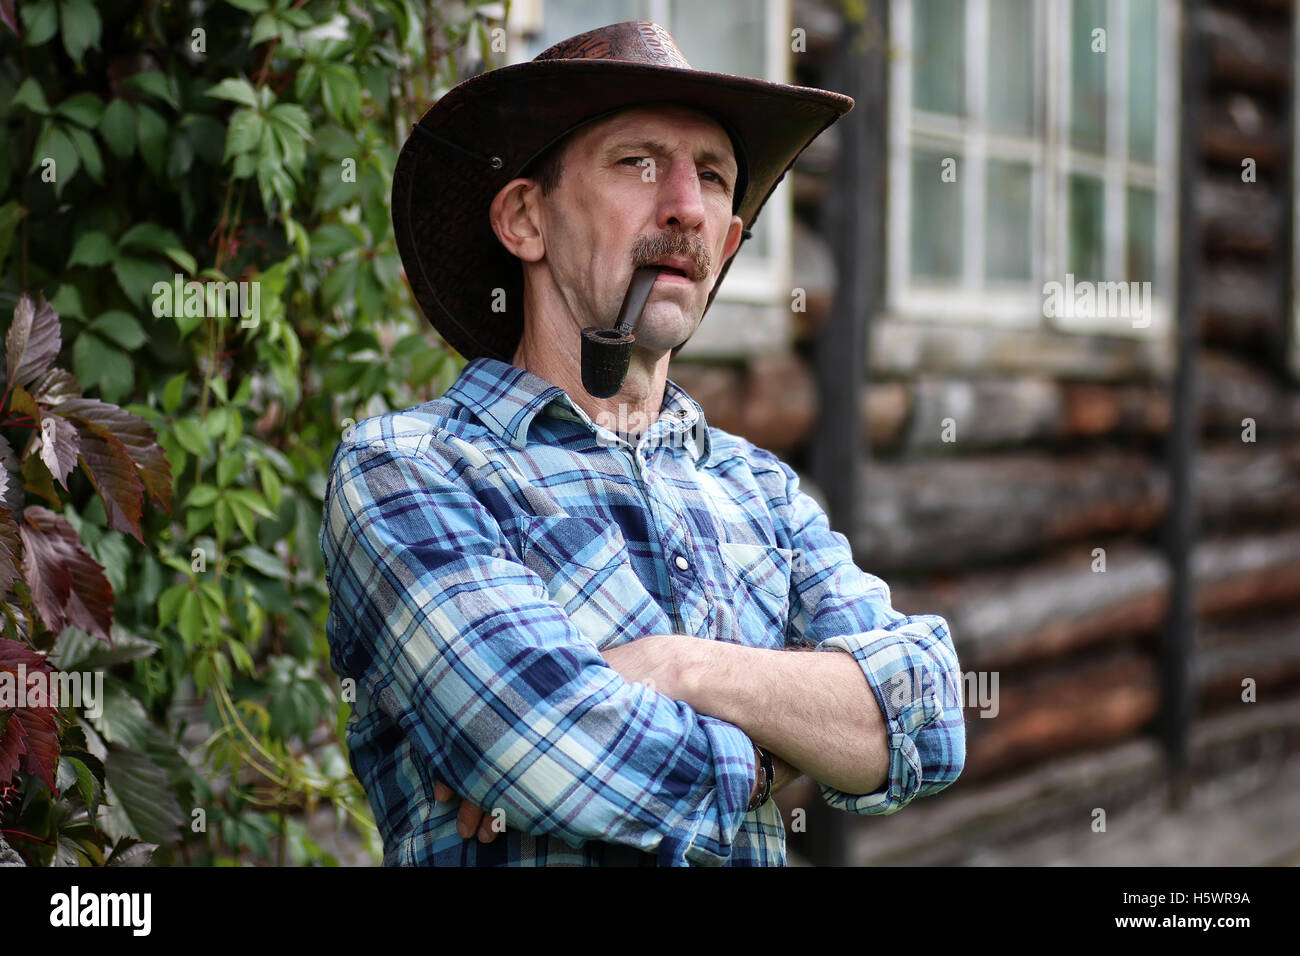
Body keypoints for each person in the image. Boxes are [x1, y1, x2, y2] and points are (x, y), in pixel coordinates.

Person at [320, 20, 965, 867]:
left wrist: (680, 666)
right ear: (524, 218)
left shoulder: (759, 488)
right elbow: (549, 747)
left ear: (727, 246)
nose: (686, 209)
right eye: (639, 162)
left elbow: (928, 714)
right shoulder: (412, 470)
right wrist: (796, 742)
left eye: (713, 178)